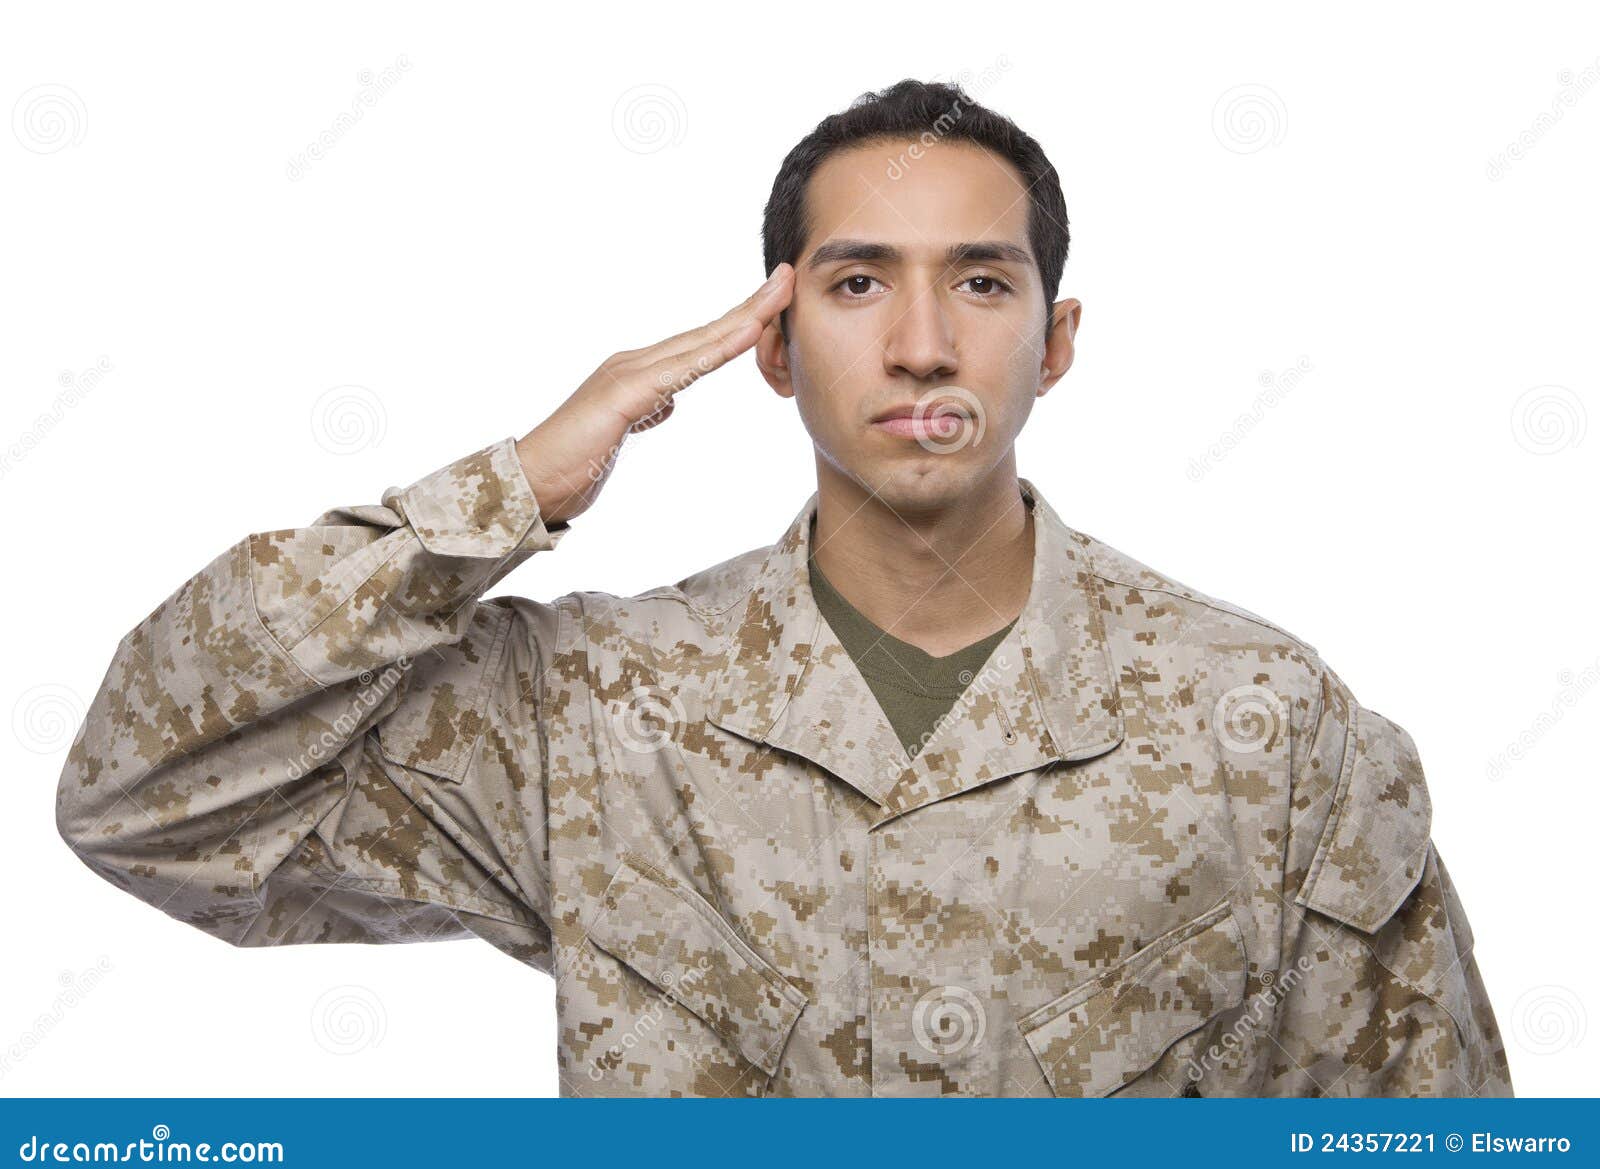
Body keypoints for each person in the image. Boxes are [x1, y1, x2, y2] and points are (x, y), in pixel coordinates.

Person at [55, 79, 1512, 1097]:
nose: (927, 344)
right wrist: (512, 489)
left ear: (1055, 342)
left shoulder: (1262, 727)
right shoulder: (596, 713)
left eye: (984, 284)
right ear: (771, 339)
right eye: (860, 282)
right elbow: (147, 797)